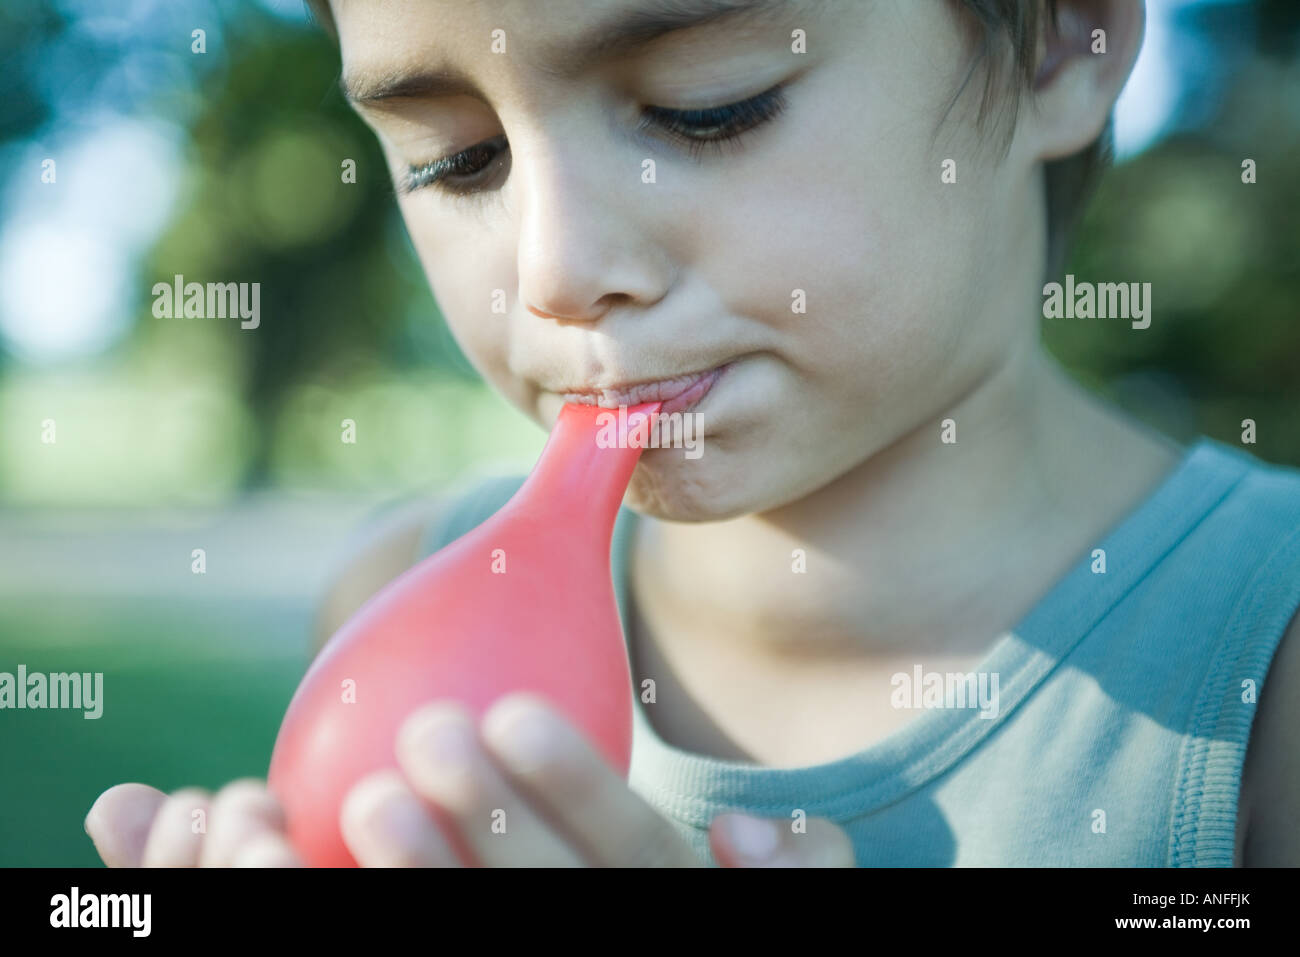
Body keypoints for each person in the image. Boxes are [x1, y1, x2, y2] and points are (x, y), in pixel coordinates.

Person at [85, 0, 1300, 867]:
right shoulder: (384, 601)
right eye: (459, 161)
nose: (556, 270)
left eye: (703, 109)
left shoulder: (1269, 669)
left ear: (1060, 42)